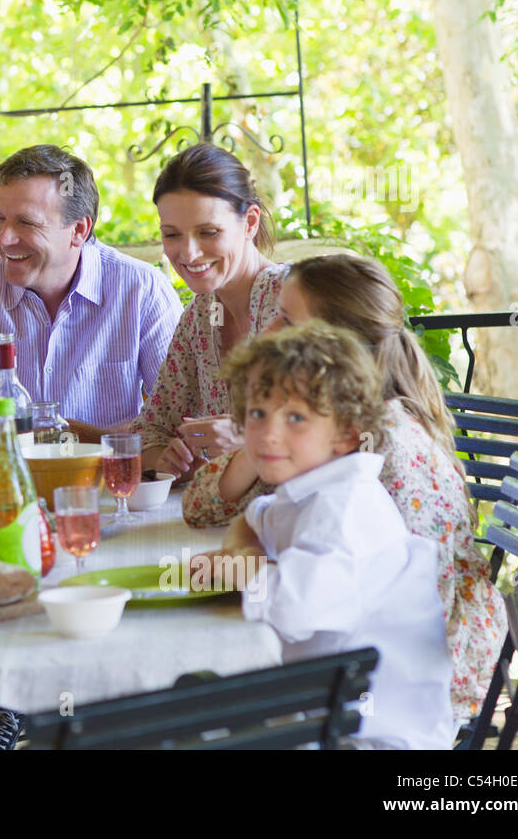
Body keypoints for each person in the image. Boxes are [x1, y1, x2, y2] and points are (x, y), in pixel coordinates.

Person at [183, 253, 506, 722]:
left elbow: (408, 609)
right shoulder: (305, 424)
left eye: (287, 321)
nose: (269, 331)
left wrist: (246, 566)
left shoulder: (388, 444)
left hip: (403, 693)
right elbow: (204, 508)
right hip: (342, 657)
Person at [197, 321, 454, 749]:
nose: (269, 433)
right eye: (258, 413)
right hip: (326, 708)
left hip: (371, 735)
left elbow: (294, 609)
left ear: (347, 434)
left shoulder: (344, 507)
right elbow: (255, 516)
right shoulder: (317, 488)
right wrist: (244, 548)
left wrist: (239, 564)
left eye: (296, 417)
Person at [0, 144, 181, 452]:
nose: (4, 238)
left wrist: (67, 441)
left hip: (108, 491)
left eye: (26, 222)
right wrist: (47, 442)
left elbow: (179, 420)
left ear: (78, 230)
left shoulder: (142, 289)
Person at [132, 143, 288, 479]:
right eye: (172, 235)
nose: (188, 253)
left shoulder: (294, 298)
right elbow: (150, 430)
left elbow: (351, 429)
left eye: (208, 232)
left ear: (249, 223)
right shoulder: (200, 315)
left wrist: (249, 440)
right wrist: (169, 459)